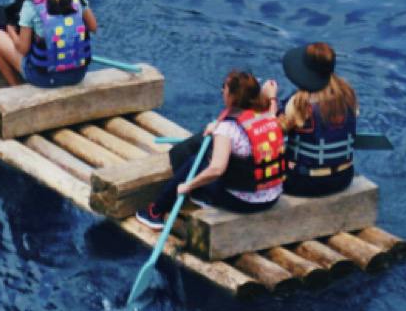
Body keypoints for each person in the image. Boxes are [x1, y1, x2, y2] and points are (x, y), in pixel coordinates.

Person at [137, 68, 288, 228]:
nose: (222, 90)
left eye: (225, 87)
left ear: (232, 96)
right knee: (210, 150)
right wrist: (272, 96)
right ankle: (199, 196)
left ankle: (156, 211)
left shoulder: (228, 129)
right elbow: (263, 114)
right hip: (272, 197)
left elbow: (217, 169)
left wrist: (188, 186)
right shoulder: (270, 117)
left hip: (243, 202)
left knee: (194, 161)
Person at [277, 41, 359, 196]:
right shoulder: (349, 96)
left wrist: (271, 102)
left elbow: (275, 131)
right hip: (343, 178)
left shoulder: (298, 103)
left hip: (304, 182)